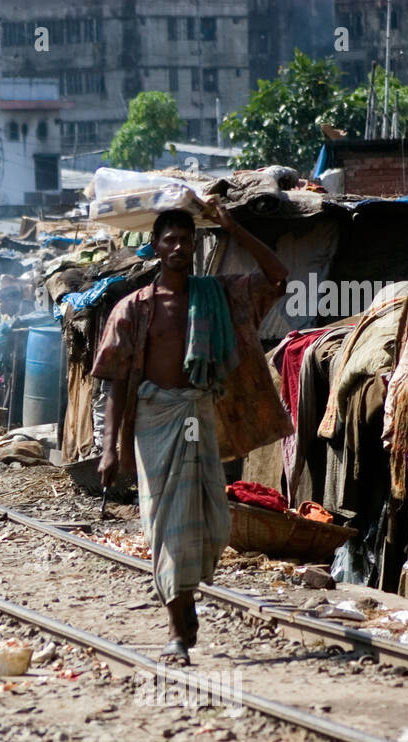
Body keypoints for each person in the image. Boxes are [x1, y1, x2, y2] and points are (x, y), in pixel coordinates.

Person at [94, 202, 288, 666]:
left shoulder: (217, 295)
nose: (179, 247)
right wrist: (109, 448)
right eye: (170, 240)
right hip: (153, 423)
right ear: (156, 248)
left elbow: (278, 277)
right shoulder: (133, 310)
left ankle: (186, 605)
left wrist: (232, 226)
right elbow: (117, 380)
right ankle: (177, 630)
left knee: (211, 522)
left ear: (197, 247)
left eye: (187, 240)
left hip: (196, 416)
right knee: (164, 527)